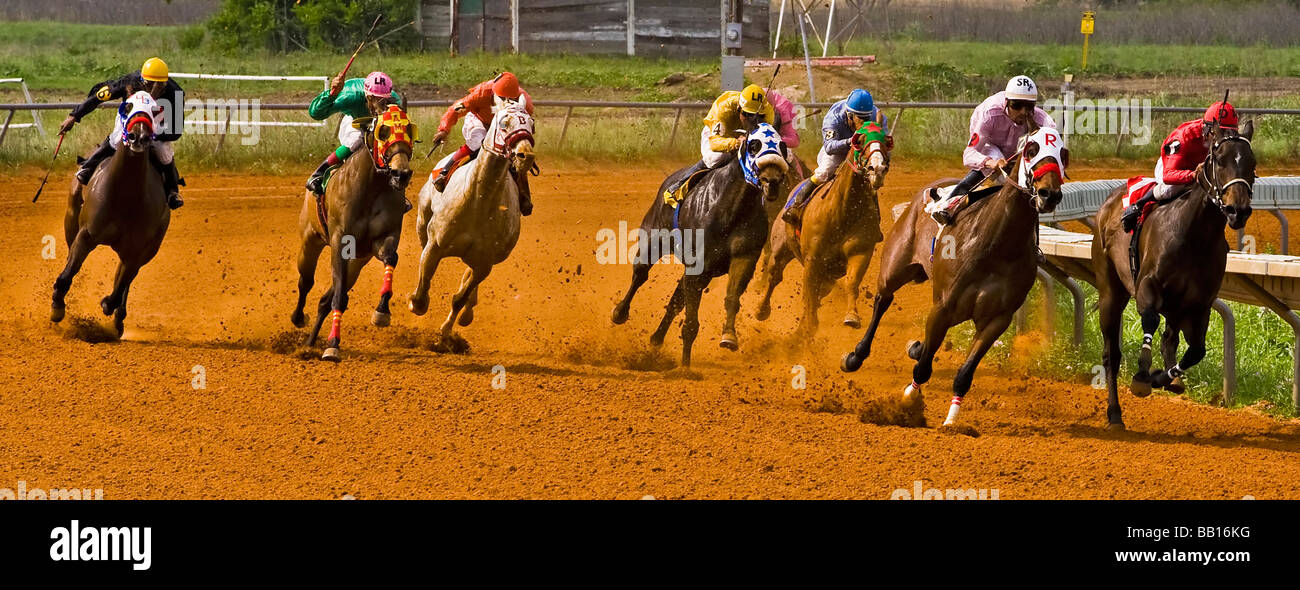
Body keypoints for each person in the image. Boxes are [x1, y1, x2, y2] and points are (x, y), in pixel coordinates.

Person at [62, 57, 186, 209]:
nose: (154, 90)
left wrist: (154, 135)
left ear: (165, 83)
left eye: (159, 86)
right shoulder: (129, 81)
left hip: (156, 129)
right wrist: (74, 116)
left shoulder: (176, 93)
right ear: (142, 80)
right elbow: (98, 97)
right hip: (128, 124)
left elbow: (177, 130)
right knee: (116, 140)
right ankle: (88, 168)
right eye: (150, 84)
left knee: (164, 153)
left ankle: (172, 192)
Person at [930, 75, 1056, 225]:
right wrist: (992, 163)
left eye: (1029, 107)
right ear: (1007, 103)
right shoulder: (990, 114)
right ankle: (949, 203)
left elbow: (1052, 141)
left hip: (1014, 148)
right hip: (988, 143)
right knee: (998, 167)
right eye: (1017, 105)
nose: (1023, 112)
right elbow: (968, 154)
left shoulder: (1042, 119)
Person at [1121, 100, 1238, 231]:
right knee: (1170, 189)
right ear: (1207, 129)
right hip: (1173, 166)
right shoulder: (1184, 137)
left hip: (1201, 166)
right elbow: (1168, 175)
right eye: (1220, 133)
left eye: (1229, 133)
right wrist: (1192, 174)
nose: (1224, 138)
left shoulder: (1223, 141)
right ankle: (1139, 204)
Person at [430, 72, 535, 215]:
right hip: (479, 120)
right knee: (478, 144)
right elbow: (456, 109)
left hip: (504, 127)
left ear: (517, 96)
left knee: (514, 154)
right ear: (494, 92)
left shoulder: (525, 103)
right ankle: (444, 172)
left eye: (511, 99)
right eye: (502, 98)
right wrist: (444, 129)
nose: (507, 102)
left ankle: (524, 194)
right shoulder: (481, 93)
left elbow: (526, 126)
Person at [781, 88, 887, 227]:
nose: (863, 123)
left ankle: (875, 222)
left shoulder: (877, 116)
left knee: (871, 177)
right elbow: (829, 147)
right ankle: (794, 206)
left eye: (866, 119)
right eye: (858, 119)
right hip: (837, 150)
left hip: (861, 151)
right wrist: (851, 140)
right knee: (824, 172)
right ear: (849, 115)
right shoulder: (834, 116)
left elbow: (882, 144)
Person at [662, 84, 776, 202]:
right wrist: (736, 143)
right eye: (748, 115)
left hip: (743, 136)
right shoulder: (724, 108)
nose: (752, 120)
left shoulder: (767, 113)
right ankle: (679, 185)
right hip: (717, 134)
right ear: (739, 108)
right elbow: (715, 143)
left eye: (758, 116)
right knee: (715, 158)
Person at [306, 71, 404, 196]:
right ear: (368, 97)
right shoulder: (349, 97)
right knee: (357, 140)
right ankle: (319, 173)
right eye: (377, 100)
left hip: (378, 122)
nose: (382, 105)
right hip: (353, 118)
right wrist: (332, 94)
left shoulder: (394, 101)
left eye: (385, 100)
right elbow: (316, 113)